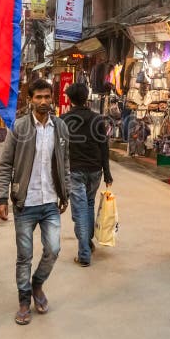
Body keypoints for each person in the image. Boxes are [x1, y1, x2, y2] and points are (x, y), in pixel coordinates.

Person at [0, 79, 71, 325]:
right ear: (30, 100)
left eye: (47, 97)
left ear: (52, 98)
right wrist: (1, 198)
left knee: (53, 250)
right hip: (25, 203)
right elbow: (6, 164)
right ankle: (23, 301)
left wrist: (65, 192)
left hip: (50, 201)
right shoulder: (19, 128)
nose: (43, 101)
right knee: (24, 255)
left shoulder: (60, 128)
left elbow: (65, 163)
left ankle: (37, 284)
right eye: (38, 97)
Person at [60, 83, 113, 267]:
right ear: (86, 97)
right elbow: (104, 147)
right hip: (95, 171)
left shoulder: (64, 119)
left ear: (70, 99)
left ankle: (84, 254)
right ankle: (88, 244)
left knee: (80, 210)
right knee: (88, 205)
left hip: (75, 171)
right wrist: (107, 173)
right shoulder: (97, 119)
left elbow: (58, 149)